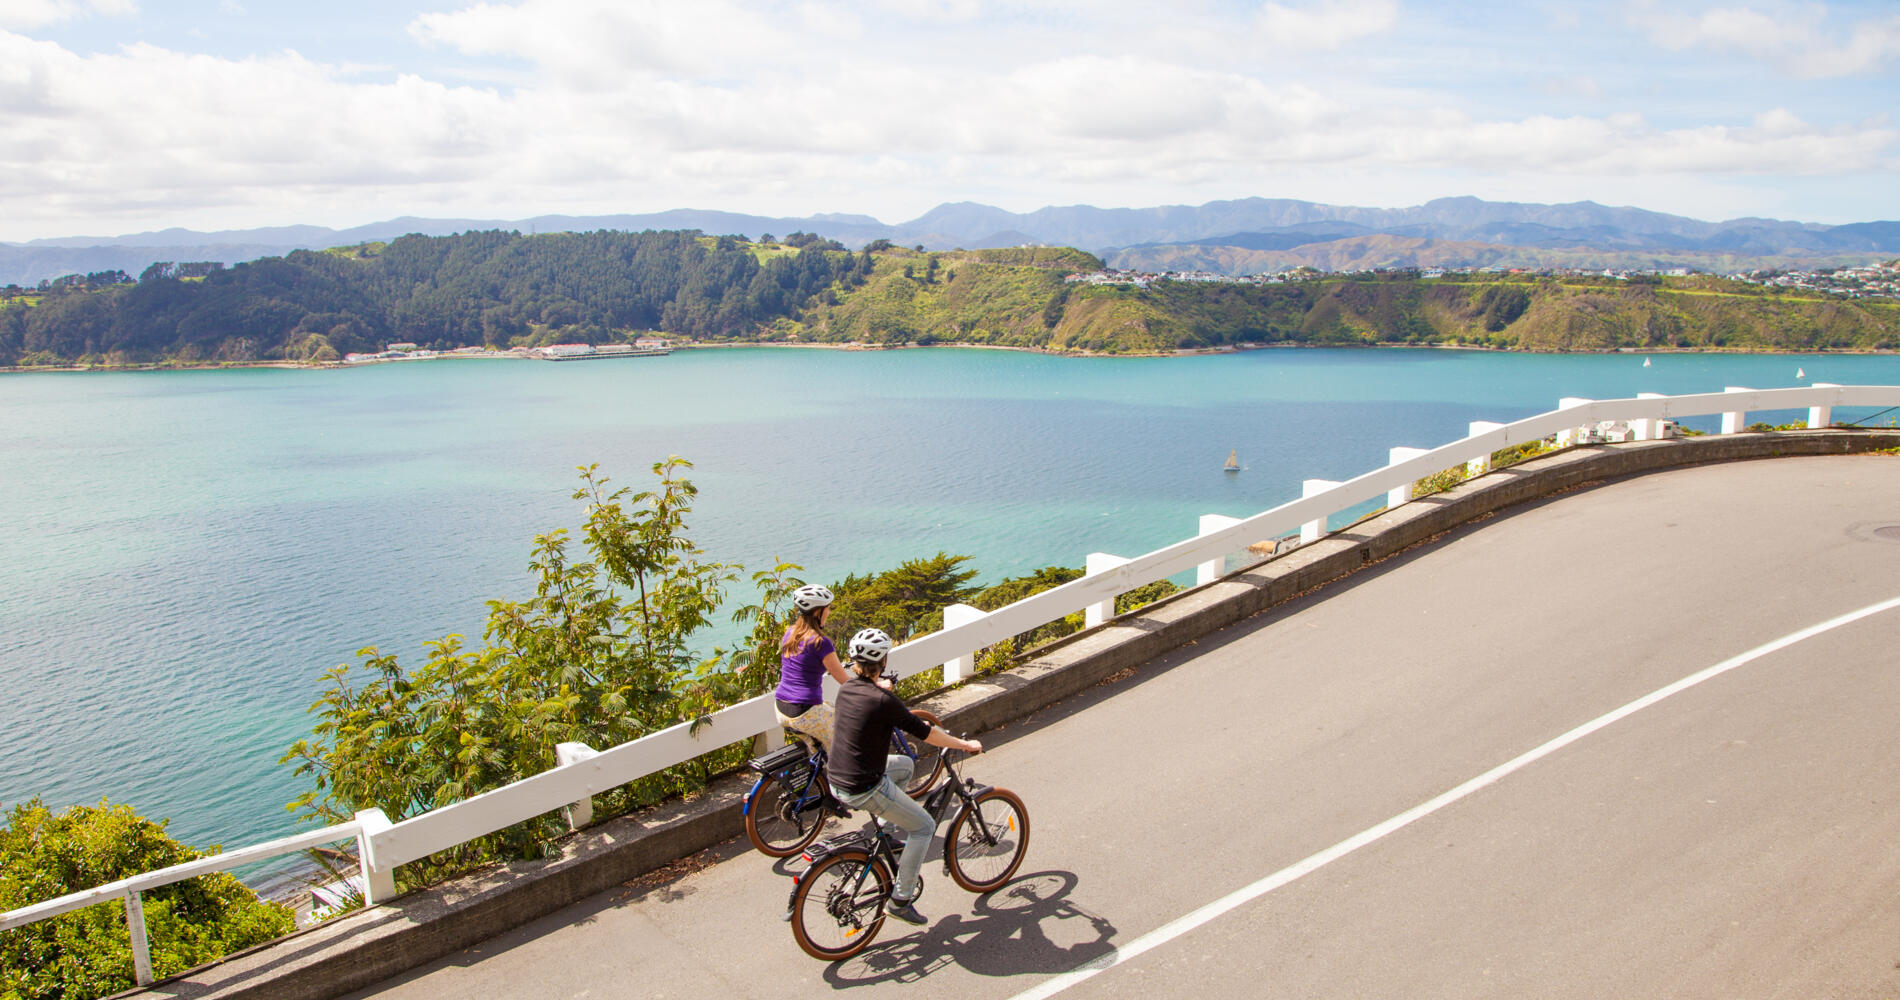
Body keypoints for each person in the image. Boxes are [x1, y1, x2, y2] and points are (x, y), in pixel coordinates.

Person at [828, 627, 983, 925]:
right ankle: (900, 900)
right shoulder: (884, 702)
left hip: (837, 778)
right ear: (883, 661)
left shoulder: (847, 688)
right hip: (864, 787)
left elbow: (870, 696)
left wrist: (882, 688)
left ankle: (885, 833)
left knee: (903, 766)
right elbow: (926, 733)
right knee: (924, 827)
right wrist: (965, 744)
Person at [768, 584, 850, 750]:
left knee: (832, 711)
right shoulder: (821, 643)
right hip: (805, 712)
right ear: (817, 612)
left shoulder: (790, 633)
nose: (829, 612)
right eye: (827, 608)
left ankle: (818, 772)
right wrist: (873, 687)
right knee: (846, 745)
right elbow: (845, 681)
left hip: (782, 708)